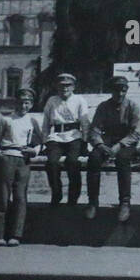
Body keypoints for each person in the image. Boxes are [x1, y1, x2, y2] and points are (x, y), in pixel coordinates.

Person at [0, 88, 43, 246]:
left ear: (31, 104)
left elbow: (40, 142)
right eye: (21, 102)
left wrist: (34, 150)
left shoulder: (33, 121)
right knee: (3, 197)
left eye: (27, 102)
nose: (24, 105)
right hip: (7, 158)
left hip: (23, 160)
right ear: (15, 103)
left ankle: (16, 235)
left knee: (20, 198)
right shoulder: (6, 119)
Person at [86, 75, 140, 222]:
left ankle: (124, 202)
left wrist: (120, 145)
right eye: (117, 90)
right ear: (112, 91)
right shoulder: (103, 107)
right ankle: (92, 202)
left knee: (123, 159)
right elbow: (95, 130)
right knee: (94, 158)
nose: (120, 94)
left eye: (123, 90)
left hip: (126, 142)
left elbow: (136, 133)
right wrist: (100, 145)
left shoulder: (133, 106)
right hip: (107, 141)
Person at [42, 72, 91, 206]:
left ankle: (73, 197)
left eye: (68, 85)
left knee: (72, 162)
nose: (65, 88)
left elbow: (85, 123)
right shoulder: (52, 100)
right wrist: (44, 141)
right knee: (51, 163)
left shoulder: (79, 100)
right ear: (57, 86)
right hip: (56, 136)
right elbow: (46, 122)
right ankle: (56, 193)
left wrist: (85, 142)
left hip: (74, 135)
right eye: (62, 85)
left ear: (73, 87)